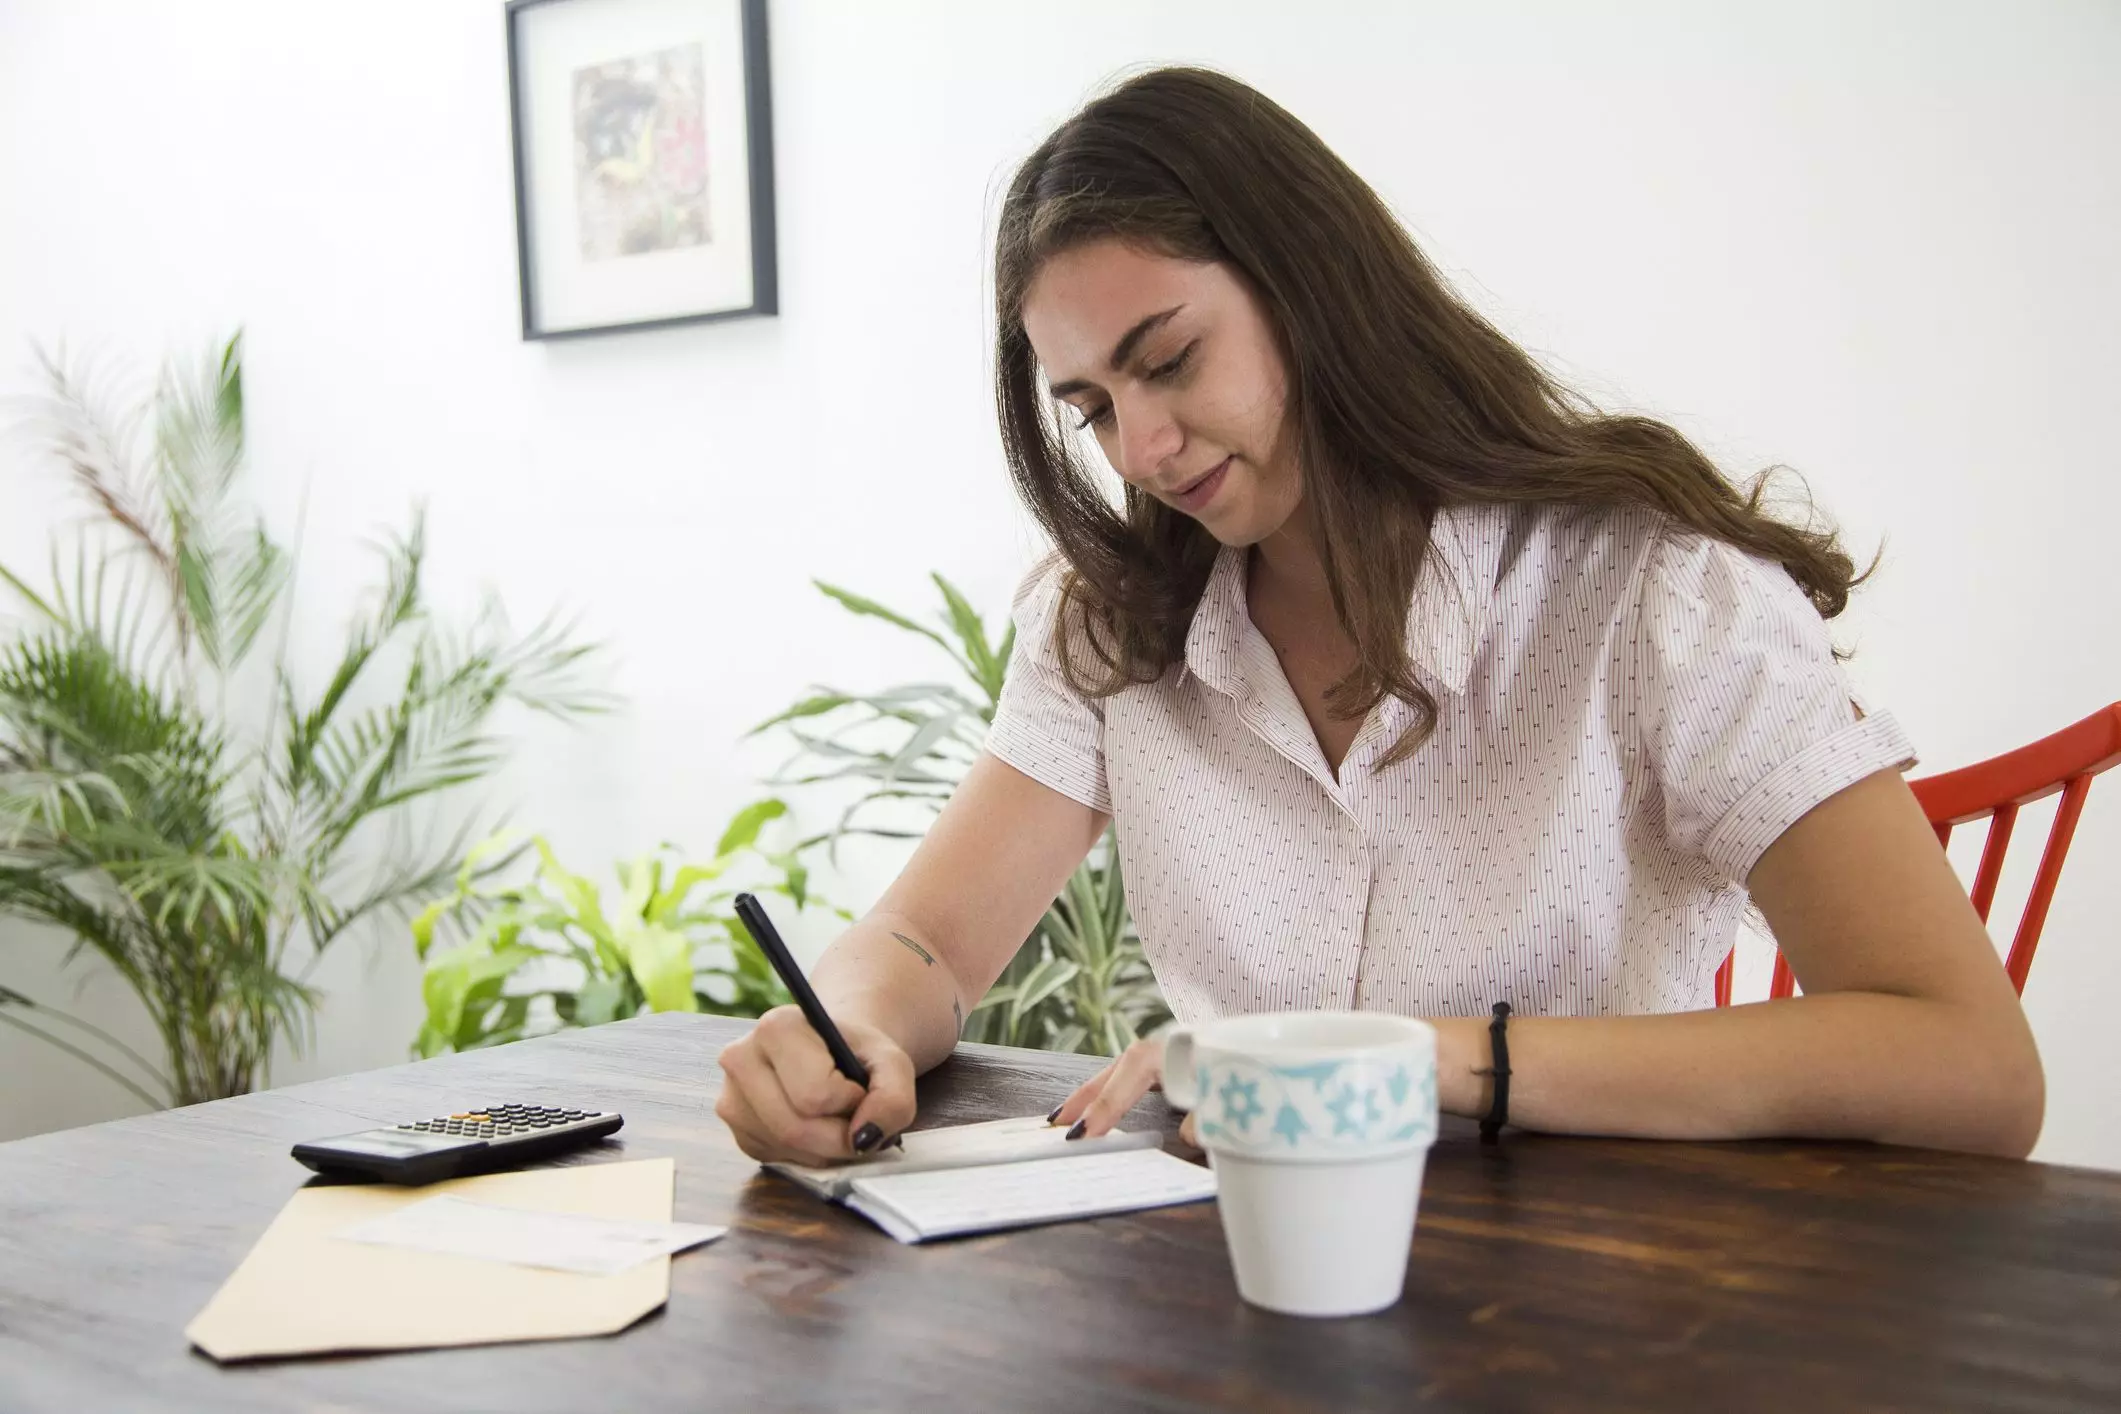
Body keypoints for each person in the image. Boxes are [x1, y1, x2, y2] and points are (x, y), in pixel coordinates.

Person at [715, 66, 2042, 1165]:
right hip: (1235, 1285)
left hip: (1586, 1301)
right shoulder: (1118, 620)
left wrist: (1423, 1059)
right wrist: (845, 1023)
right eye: (1095, 406)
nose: (1146, 445)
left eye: (1169, 360)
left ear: (1313, 285)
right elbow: (925, 944)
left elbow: (1970, 1065)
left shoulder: (1650, 597)